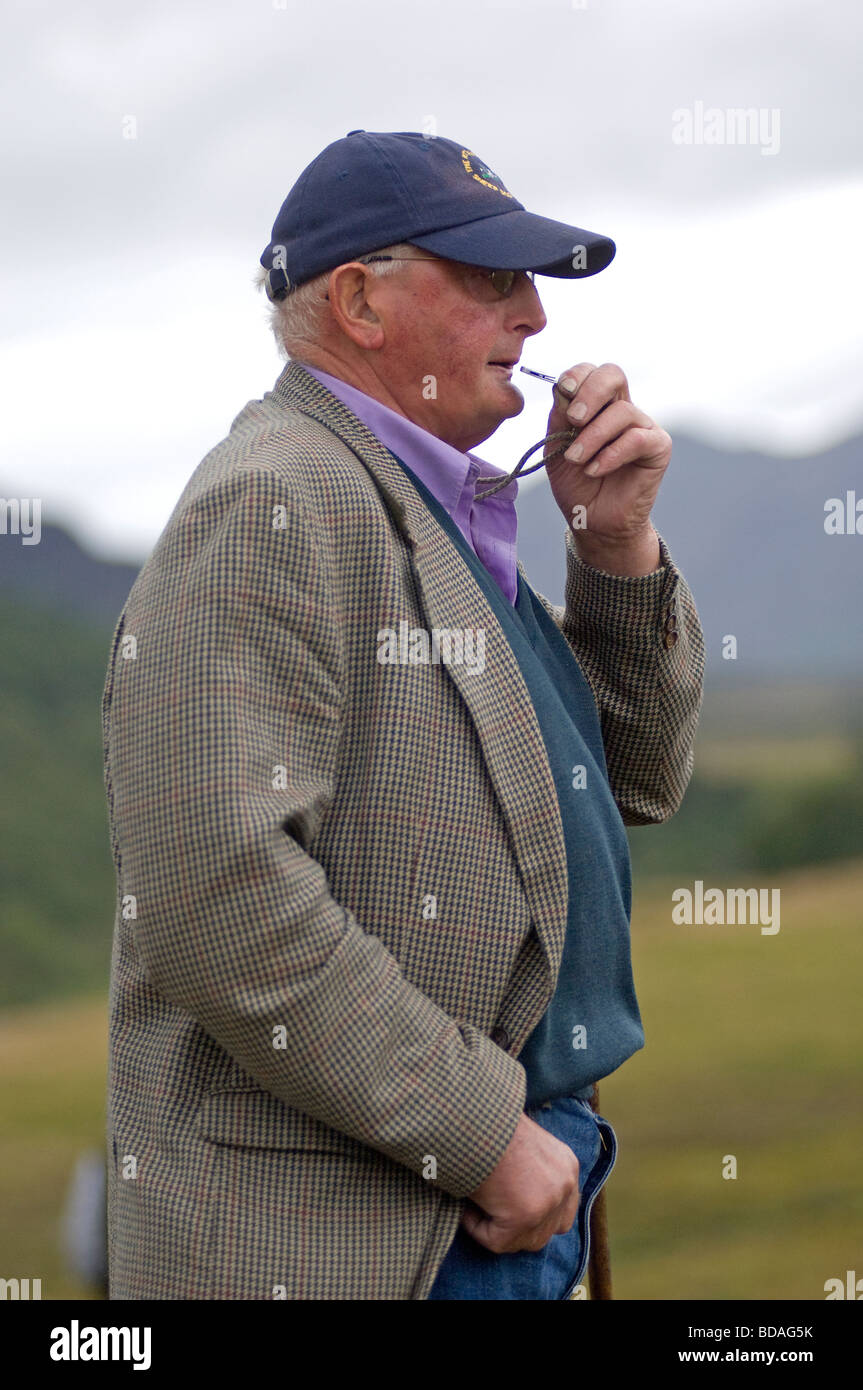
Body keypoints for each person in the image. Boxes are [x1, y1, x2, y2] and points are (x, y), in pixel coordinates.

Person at [102, 129, 704, 1300]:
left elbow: (635, 781)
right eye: (490, 279)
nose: (532, 317)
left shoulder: (427, 506)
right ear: (359, 303)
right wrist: (484, 1133)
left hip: (497, 1208)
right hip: (371, 1240)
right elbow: (211, 895)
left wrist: (614, 546)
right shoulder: (274, 498)